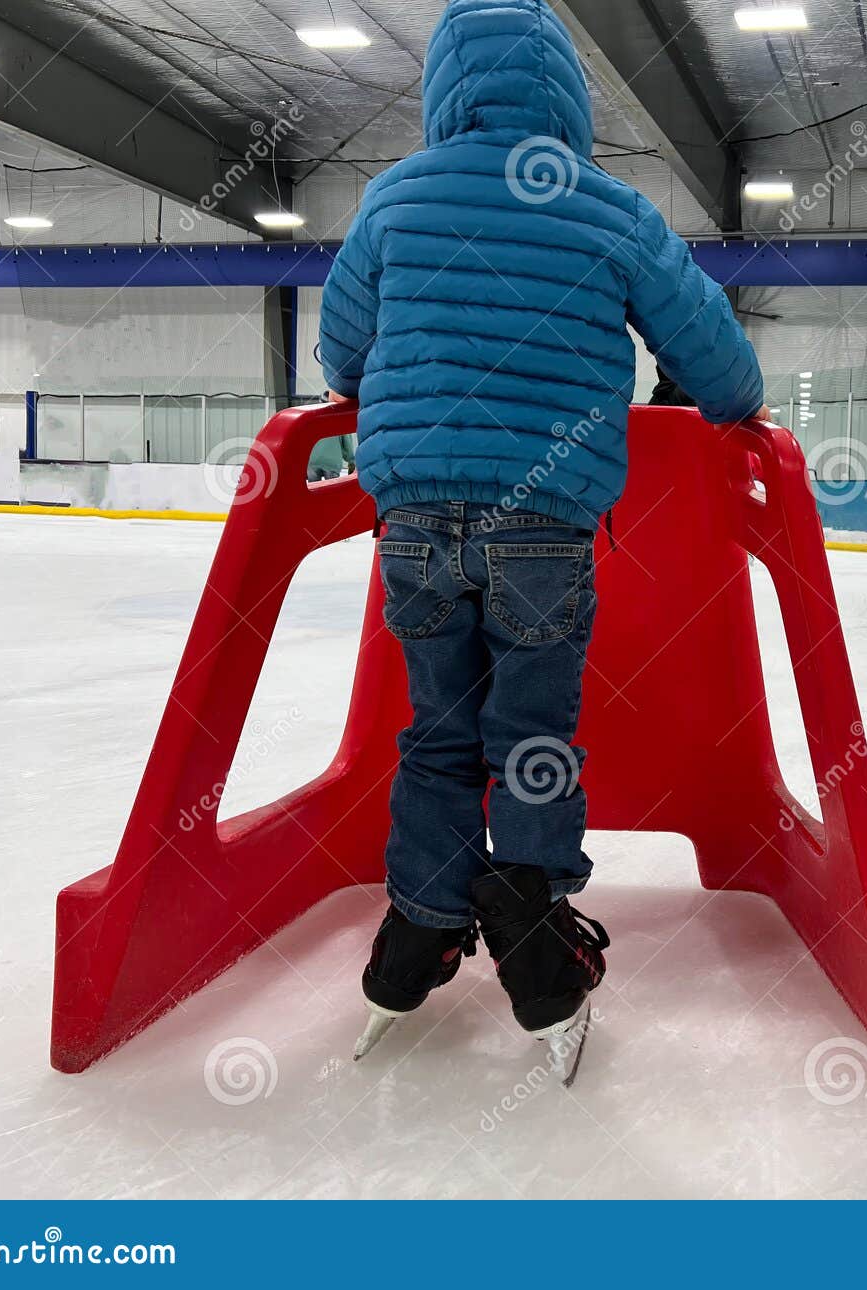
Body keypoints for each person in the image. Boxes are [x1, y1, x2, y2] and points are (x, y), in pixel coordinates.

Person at [320, 0, 768, 1065]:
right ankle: (530, 931)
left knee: (436, 733)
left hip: (418, 519)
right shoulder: (608, 207)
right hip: (544, 522)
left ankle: (415, 937)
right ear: (567, 96)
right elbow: (724, 374)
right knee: (531, 739)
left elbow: (342, 355)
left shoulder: (392, 200)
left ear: (443, 90)